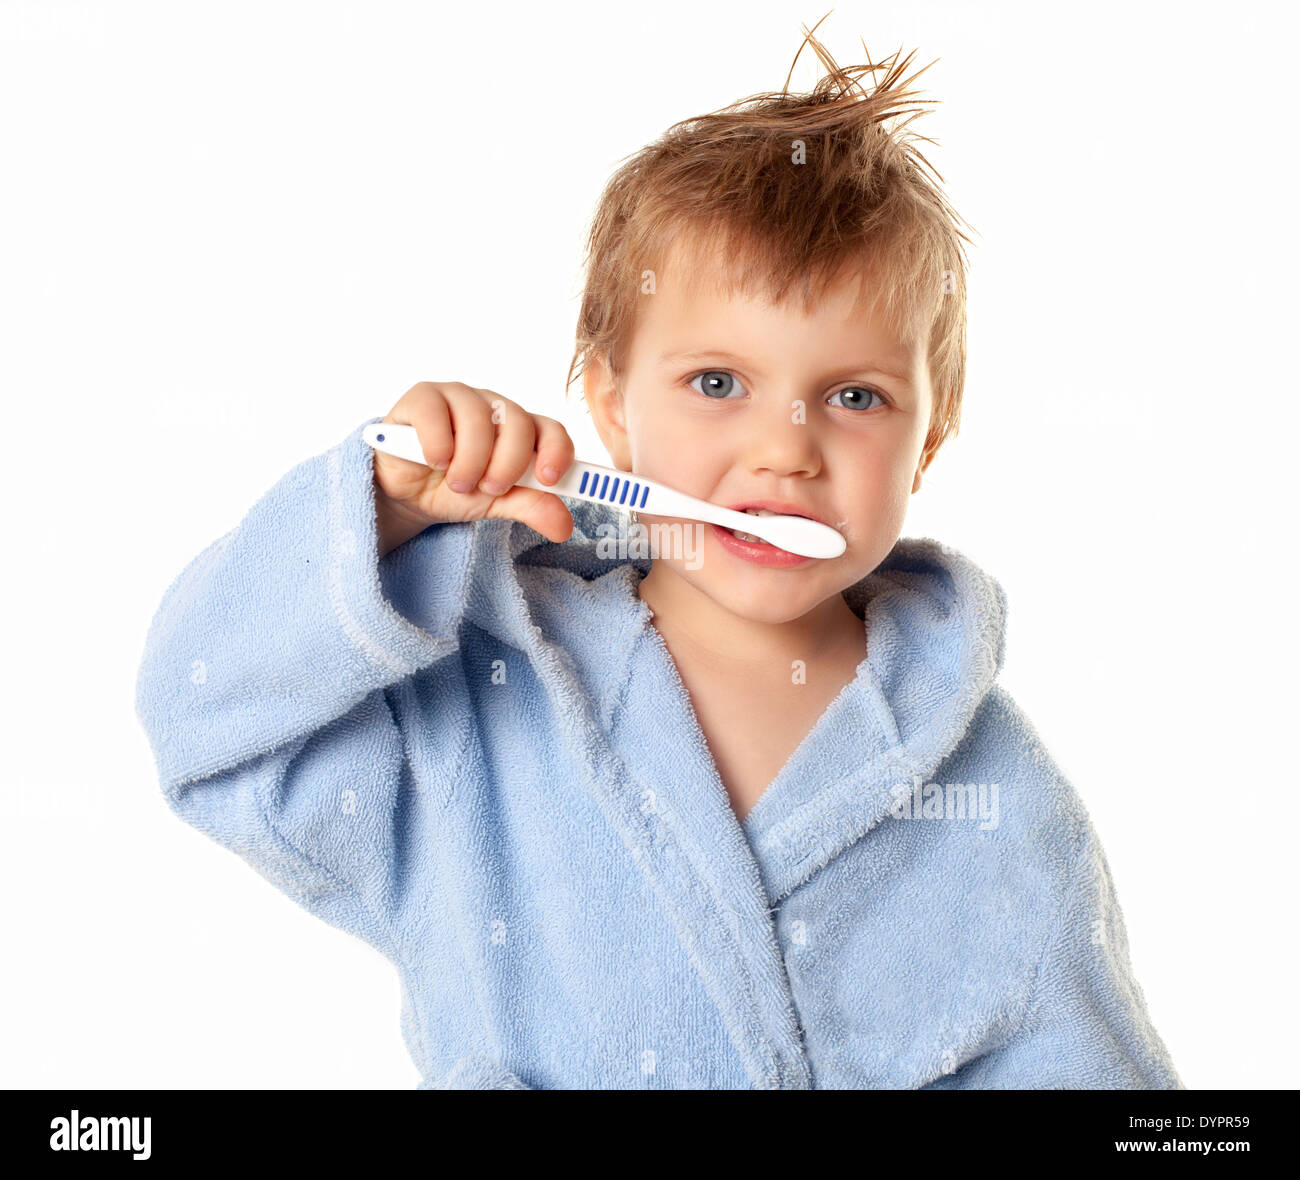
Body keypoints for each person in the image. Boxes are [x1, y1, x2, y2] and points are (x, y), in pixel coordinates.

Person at [135, 27, 1182, 1089]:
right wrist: (384, 516)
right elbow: (206, 720)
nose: (785, 448)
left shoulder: (989, 781)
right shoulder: (495, 690)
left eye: (855, 397)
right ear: (609, 406)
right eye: (717, 382)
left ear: (932, 437)